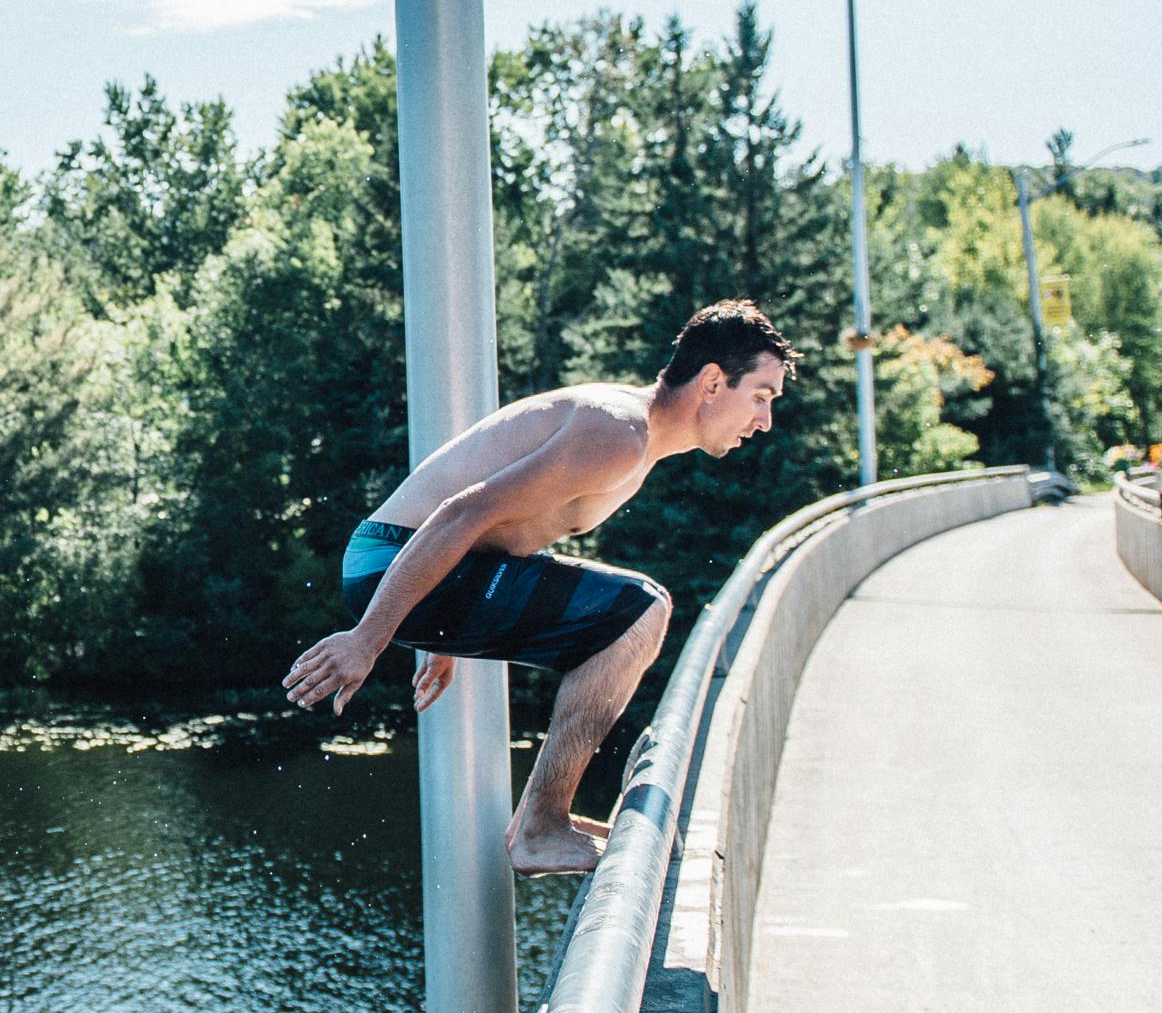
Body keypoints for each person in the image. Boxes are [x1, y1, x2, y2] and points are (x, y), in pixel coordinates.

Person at [283, 299, 799, 877]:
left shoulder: (637, 438)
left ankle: (546, 817)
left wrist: (451, 630)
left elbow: (500, 526)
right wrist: (368, 638)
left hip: (420, 567)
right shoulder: (617, 433)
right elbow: (462, 512)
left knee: (631, 613)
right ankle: (540, 826)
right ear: (711, 382)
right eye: (760, 396)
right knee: (641, 610)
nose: (764, 421)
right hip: (390, 560)